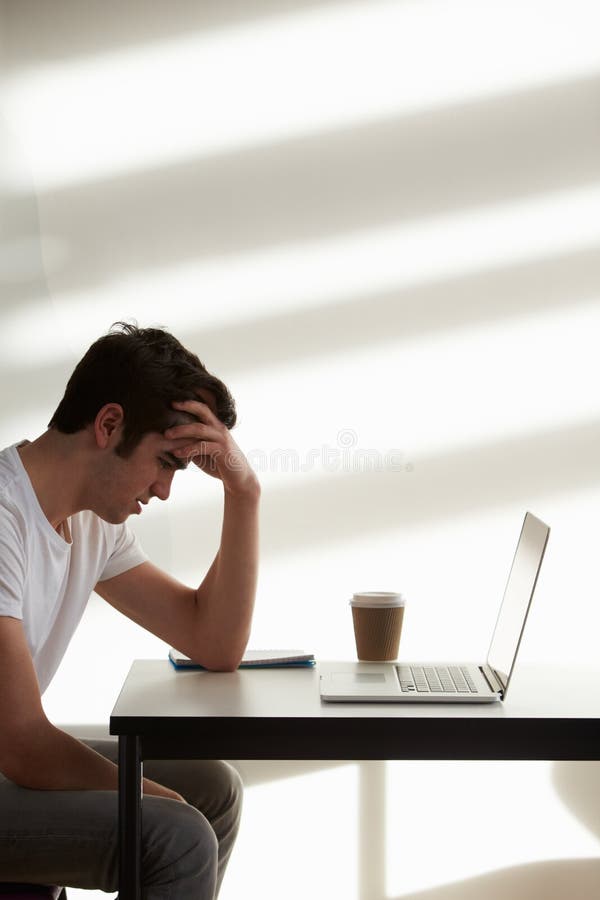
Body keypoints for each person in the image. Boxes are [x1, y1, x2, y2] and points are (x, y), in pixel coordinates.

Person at [0, 322, 260, 898]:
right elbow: (19, 742)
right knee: (178, 833)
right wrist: (146, 795)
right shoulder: (3, 519)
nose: (165, 490)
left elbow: (214, 642)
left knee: (213, 787)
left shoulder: (92, 521)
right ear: (109, 424)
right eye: (166, 462)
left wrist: (244, 495)